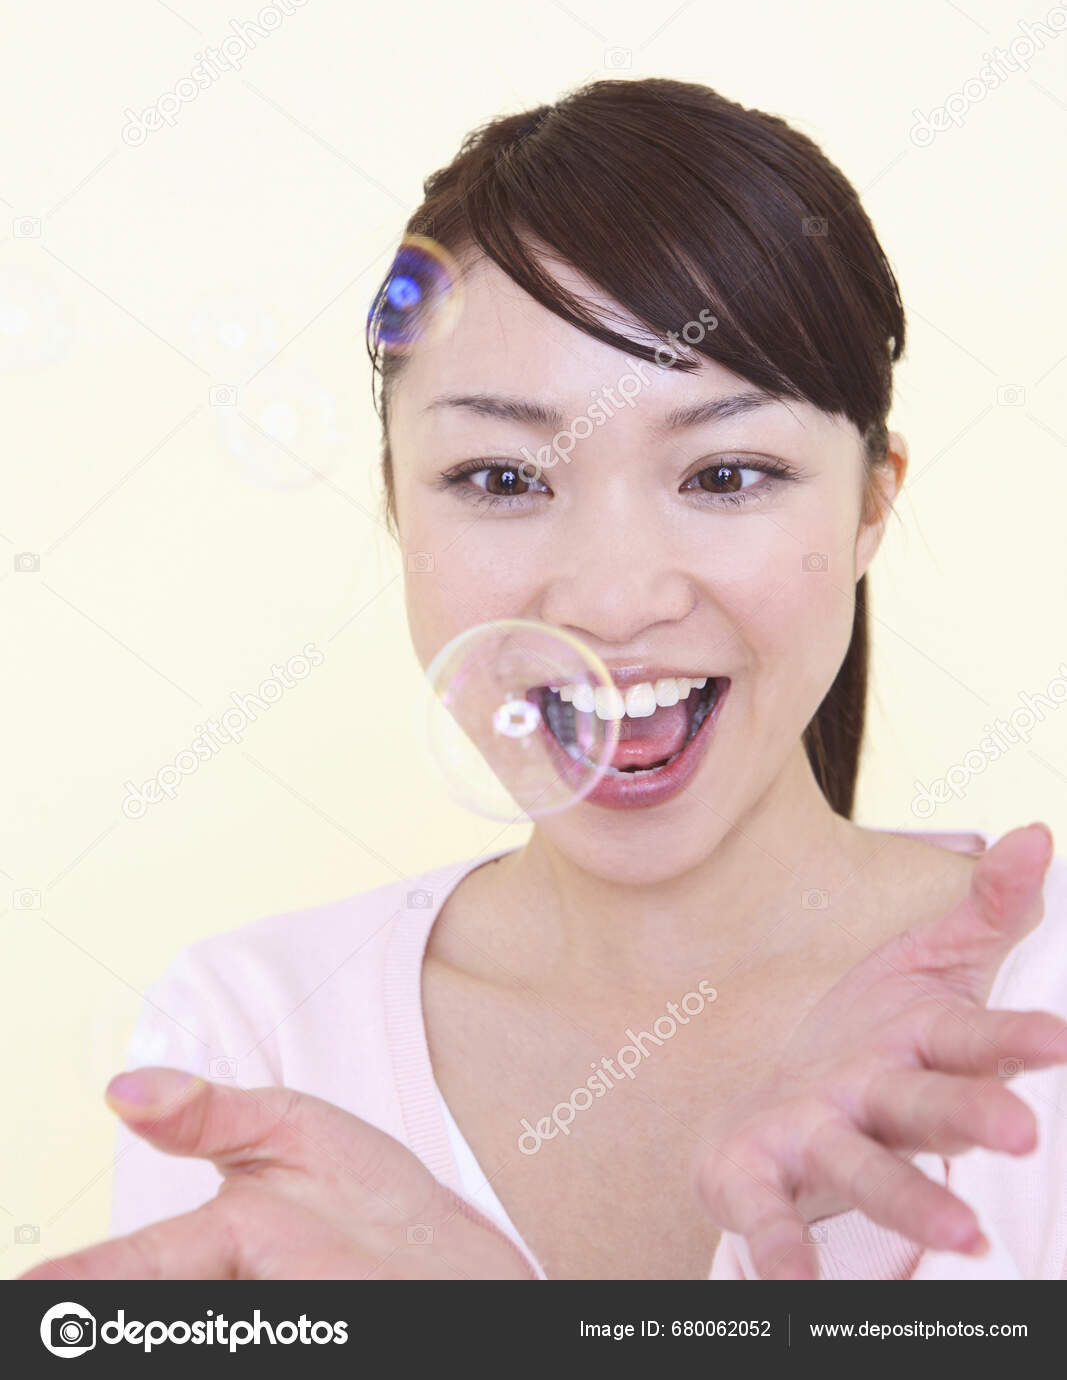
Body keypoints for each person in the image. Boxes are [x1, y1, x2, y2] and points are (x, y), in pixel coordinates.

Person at [21, 79, 1067, 1283]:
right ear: (392, 502)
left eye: (725, 473)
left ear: (872, 499)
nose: (613, 598)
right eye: (503, 479)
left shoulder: (1037, 1011)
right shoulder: (250, 1038)